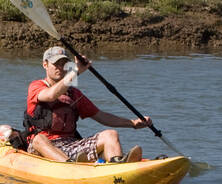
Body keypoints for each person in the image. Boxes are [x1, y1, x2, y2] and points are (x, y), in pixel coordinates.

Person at [25, 46, 155, 163]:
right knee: (38, 139)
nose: (60, 67)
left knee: (111, 134)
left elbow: (101, 116)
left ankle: (116, 167)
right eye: (56, 64)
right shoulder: (36, 86)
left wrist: (132, 123)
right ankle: (71, 166)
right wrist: (75, 72)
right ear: (45, 65)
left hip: (70, 144)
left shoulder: (74, 94)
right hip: (44, 146)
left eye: (64, 63)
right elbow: (51, 95)